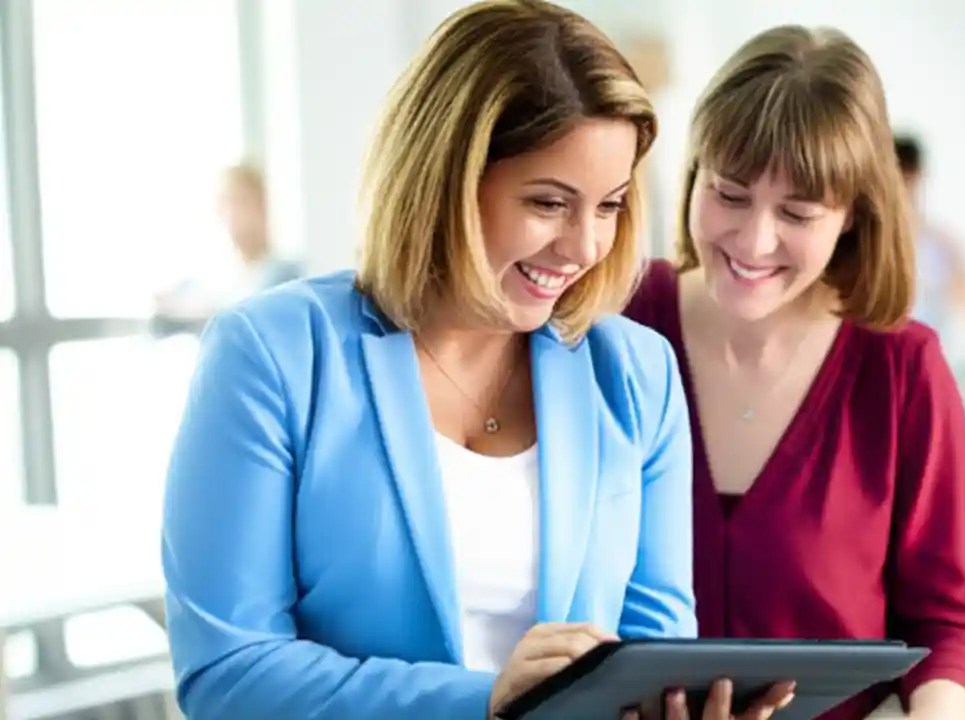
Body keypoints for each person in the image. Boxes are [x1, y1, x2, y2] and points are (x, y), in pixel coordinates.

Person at [162, 3, 793, 718]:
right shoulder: (273, 354)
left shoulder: (636, 376)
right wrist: (484, 702)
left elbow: (653, 651)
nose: (586, 247)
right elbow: (228, 672)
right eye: (550, 202)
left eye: (610, 205)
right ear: (447, 181)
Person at [624, 25, 965, 720]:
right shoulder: (621, 324)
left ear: (853, 215)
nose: (754, 240)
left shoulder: (902, 371)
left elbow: (953, 624)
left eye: (797, 212)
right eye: (729, 195)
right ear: (693, 174)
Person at [153, 162, 300, 324]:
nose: (232, 214)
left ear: (263, 207)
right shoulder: (217, 278)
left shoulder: (283, 274)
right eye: (225, 203)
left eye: (241, 201)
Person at [892, 135, 965, 342]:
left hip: (930, 361)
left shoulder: (942, 246)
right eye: (899, 177)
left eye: (909, 176)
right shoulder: (869, 247)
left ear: (919, 176)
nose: (904, 187)